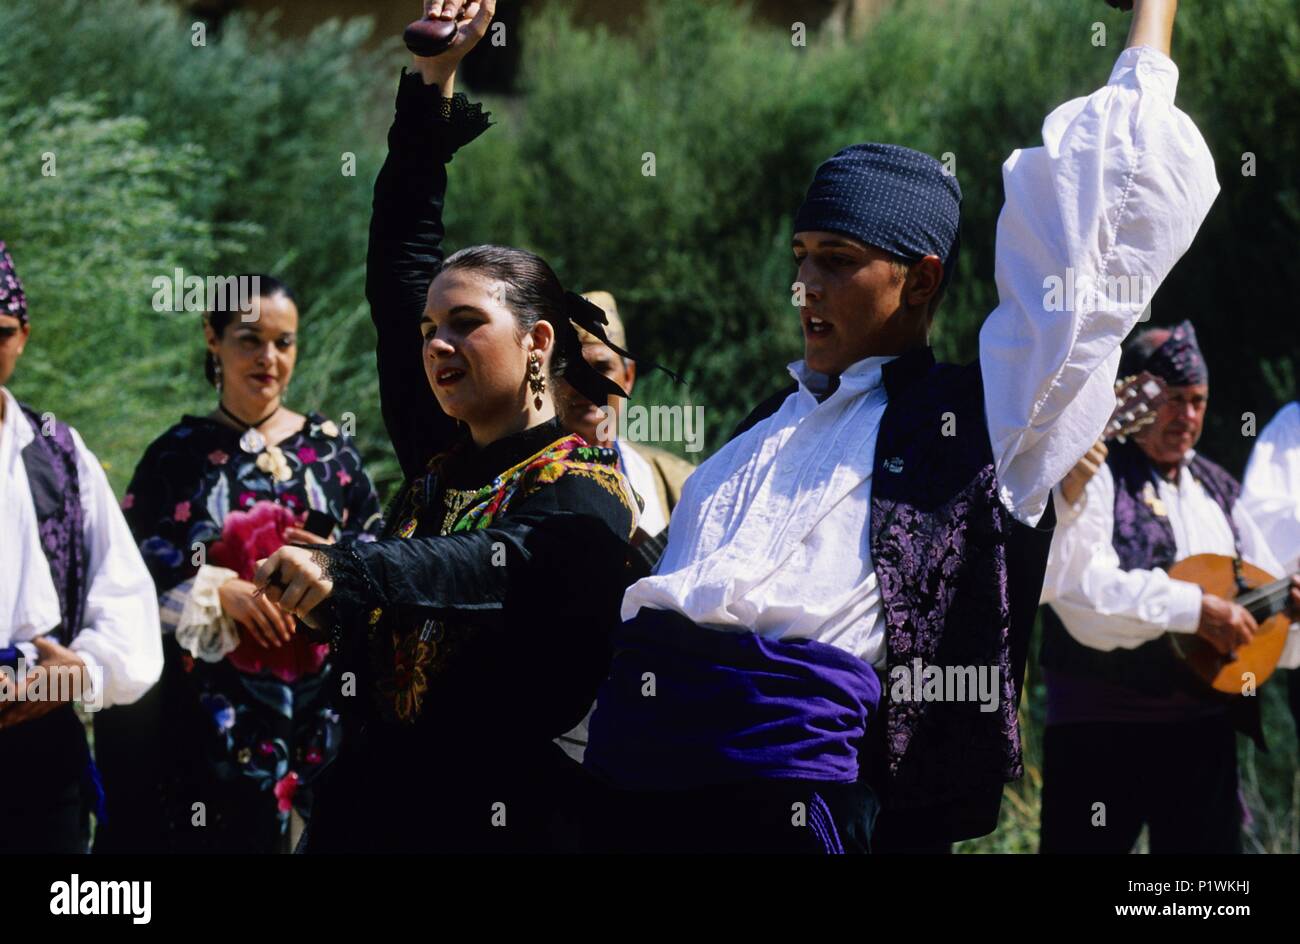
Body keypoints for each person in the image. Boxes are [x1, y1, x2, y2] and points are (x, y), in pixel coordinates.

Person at [582, 0, 1220, 853]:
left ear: (921, 281)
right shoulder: (755, 434)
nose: (805, 284)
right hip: (635, 789)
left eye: (838, 262)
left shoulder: (974, 421)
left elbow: (1092, 239)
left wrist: (1152, 12)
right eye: (800, 257)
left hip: (806, 809)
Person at [253, 0, 641, 853]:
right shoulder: (440, 454)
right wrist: (433, 85)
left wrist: (352, 570)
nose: (436, 344)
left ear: (537, 342)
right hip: (371, 814)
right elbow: (399, 258)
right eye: (432, 328)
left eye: (466, 323)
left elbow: (494, 563)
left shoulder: (585, 490)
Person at [93, 275, 385, 853]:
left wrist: (336, 566)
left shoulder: (333, 454)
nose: (268, 359)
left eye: (284, 343)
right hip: (206, 731)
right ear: (212, 338)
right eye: (250, 340)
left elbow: (384, 561)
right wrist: (214, 591)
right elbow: (123, 580)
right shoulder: (175, 457)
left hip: (321, 717)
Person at [1039, 322, 1300, 853]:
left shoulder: (1218, 490)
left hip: (1203, 735)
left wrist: (1286, 613)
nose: (1187, 417)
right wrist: (1191, 608)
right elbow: (1080, 592)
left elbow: (1263, 593)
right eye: (1173, 400)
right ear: (1135, 398)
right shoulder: (1095, 473)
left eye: (1198, 400)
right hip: (1103, 733)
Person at [0, 240, 162, 853]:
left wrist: (82, 671)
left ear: (23, 335)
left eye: (0, 331)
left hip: (40, 737)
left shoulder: (58, 453)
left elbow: (123, 596)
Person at [553, 291, 696, 763]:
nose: (587, 385)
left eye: (602, 367)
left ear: (628, 377)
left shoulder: (682, 483)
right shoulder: (514, 485)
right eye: (567, 369)